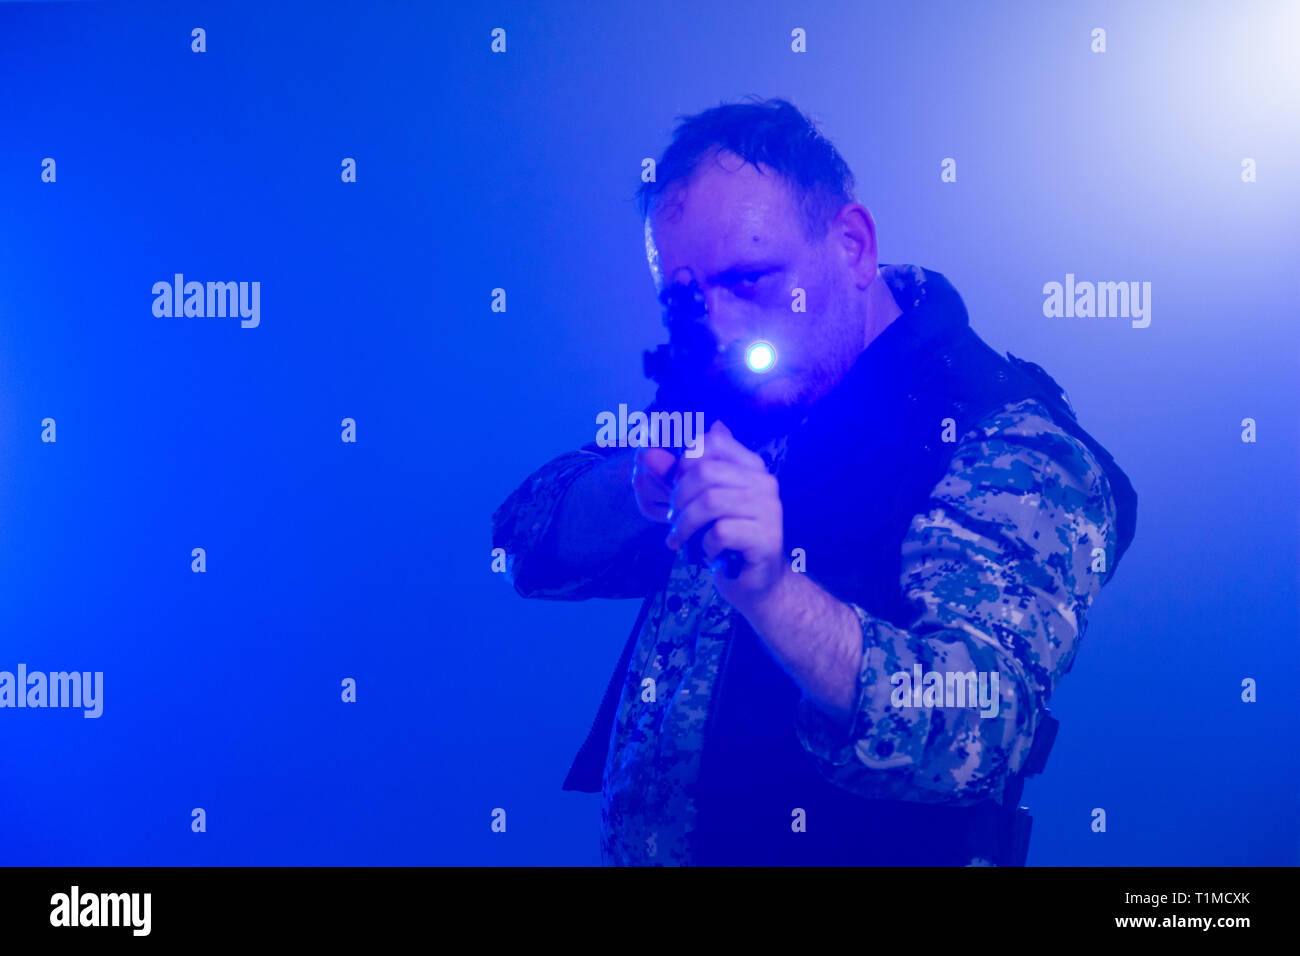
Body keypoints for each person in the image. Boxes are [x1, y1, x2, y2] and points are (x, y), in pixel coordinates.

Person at [492, 97, 1137, 866]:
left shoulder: (1011, 441)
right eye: (688, 299)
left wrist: (770, 592)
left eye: (753, 279)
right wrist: (636, 488)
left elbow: (979, 731)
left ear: (854, 247)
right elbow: (522, 548)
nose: (724, 333)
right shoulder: (732, 390)